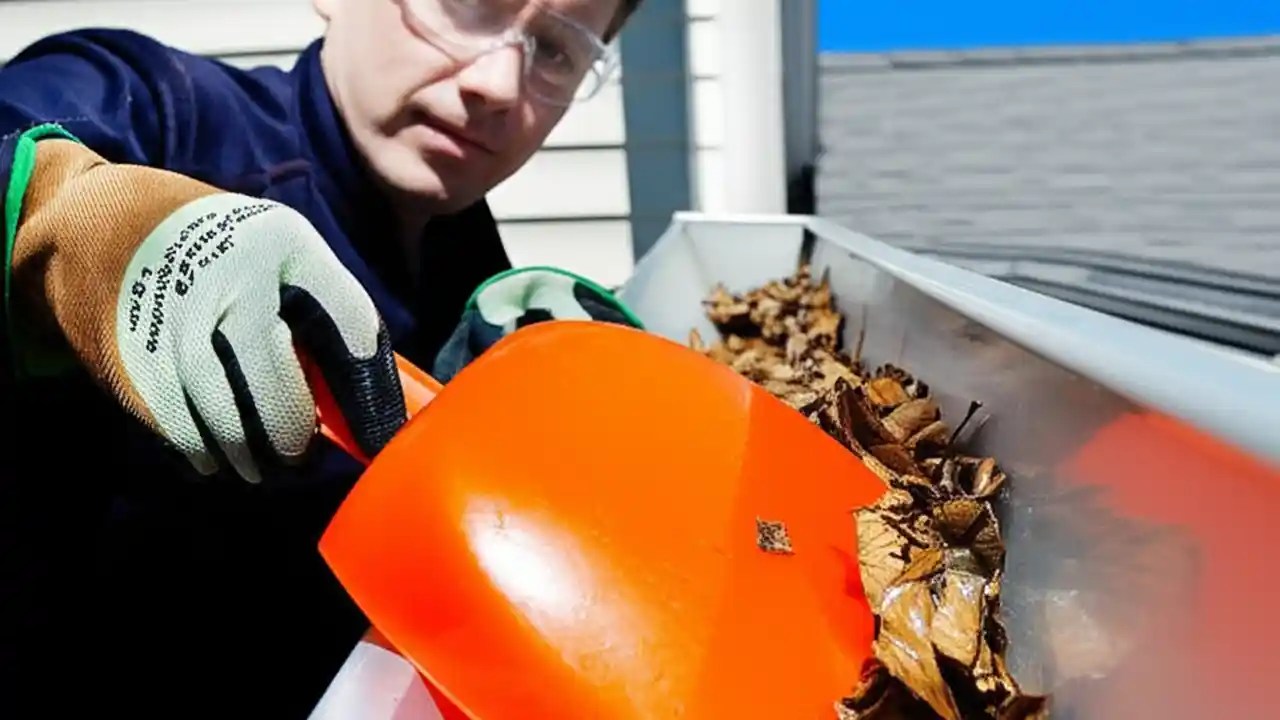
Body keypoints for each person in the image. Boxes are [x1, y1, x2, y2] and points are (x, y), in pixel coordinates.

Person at [0, 0, 644, 715]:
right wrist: (69, 212)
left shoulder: (458, 246)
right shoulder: (165, 111)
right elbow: (19, 136)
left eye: (557, 50)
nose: (496, 82)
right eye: (467, 6)